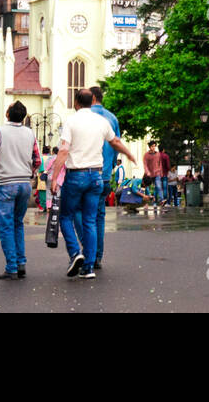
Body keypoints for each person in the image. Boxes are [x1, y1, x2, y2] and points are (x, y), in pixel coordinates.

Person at [48, 88, 137, 280]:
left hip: (76, 175)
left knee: (66, 216)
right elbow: (115, 141)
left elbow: (64, 150)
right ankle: (88, 267)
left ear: (76, 103)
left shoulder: (71, 120)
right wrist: (129, 154)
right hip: (96, 176)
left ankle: (74, 253)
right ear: (92, 101)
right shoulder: (102, 121)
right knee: (90, 220)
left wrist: (55, 177)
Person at [0, 101, 41, 280]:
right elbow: (37, 160)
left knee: (6, 227)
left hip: (5, 183)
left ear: (7, 114)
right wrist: (30, 173)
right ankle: (21, 263)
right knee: (18, 223)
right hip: (24, 184)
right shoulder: (30, 133)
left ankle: (11, 266)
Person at [89, 85, 120, 269]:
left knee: (86, 215)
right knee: (99, 216)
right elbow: (116, 146)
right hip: (106, 174)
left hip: (87, 172)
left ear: (91, 98)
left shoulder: (83, 117)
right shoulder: (112, 118)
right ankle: (98, 256)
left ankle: (88, 254)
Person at [142, 141, 166, 212]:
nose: (153, 147)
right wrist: (147, 172)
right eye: (152, 146)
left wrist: (161, 172)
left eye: (154, 146)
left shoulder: (158, 154)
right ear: (149, 147)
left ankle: (162, 200)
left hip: (156, 174)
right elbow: (145, 164)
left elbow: (160, 164)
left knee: (158, 186)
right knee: (146, 188)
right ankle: (146, 203)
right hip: (148, 174)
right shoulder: (146, 155)